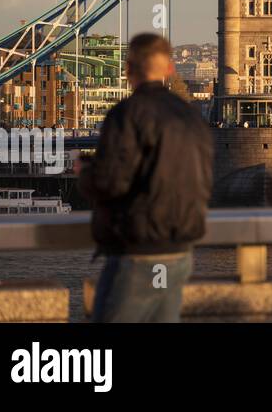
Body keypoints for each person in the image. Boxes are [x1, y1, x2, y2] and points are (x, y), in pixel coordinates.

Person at [78, 33, 212, 322]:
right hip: (180, 252)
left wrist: (84, 172)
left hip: (139, 253)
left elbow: (109, 182)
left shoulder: (127, 114)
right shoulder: (192, 117)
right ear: (170, 69)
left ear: (128, 70)